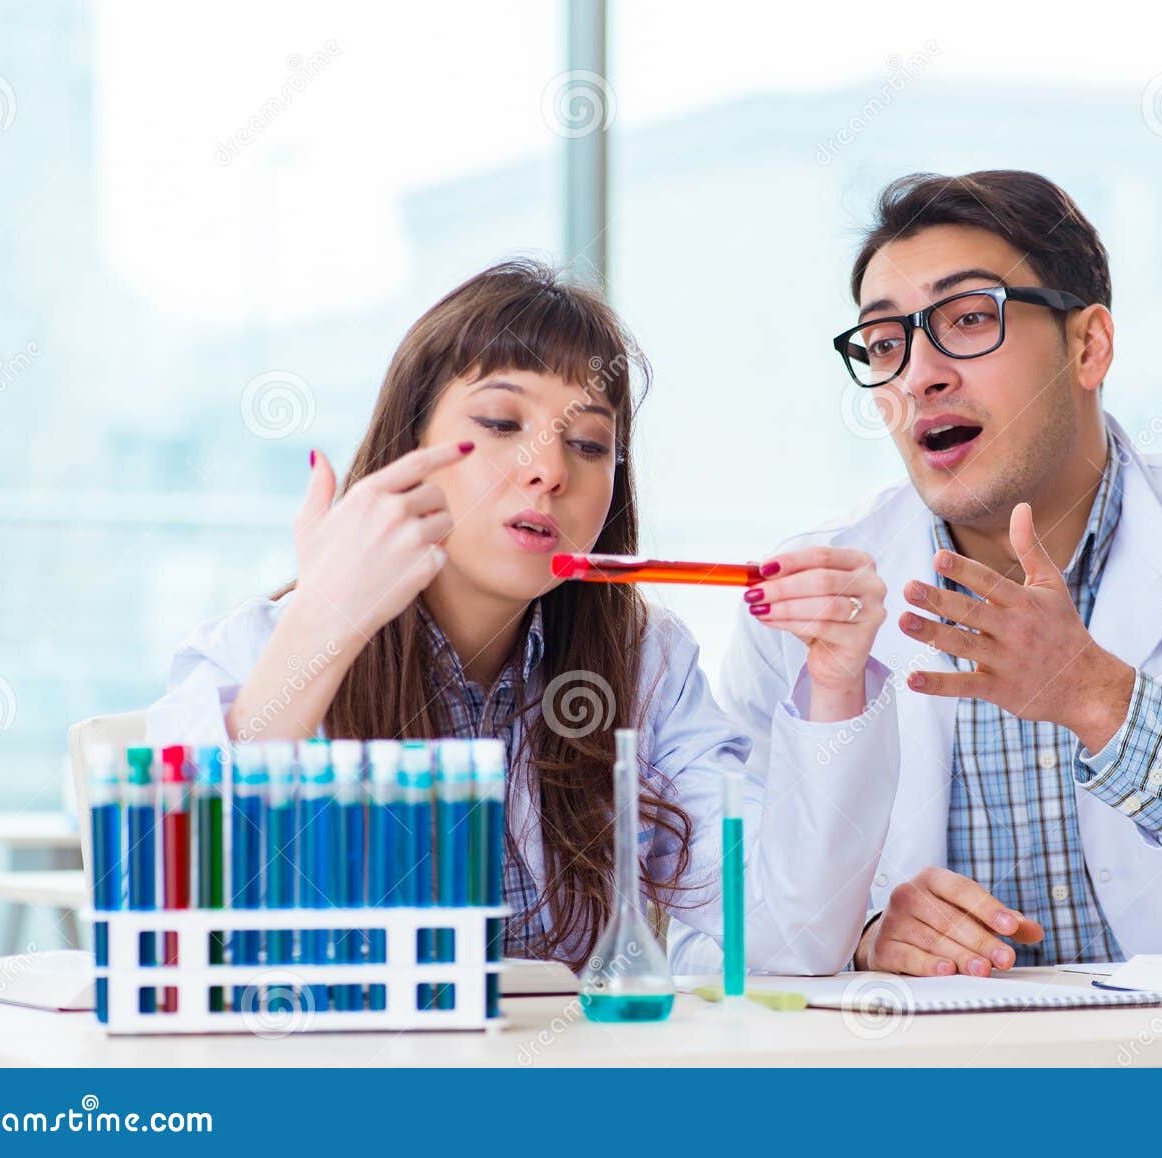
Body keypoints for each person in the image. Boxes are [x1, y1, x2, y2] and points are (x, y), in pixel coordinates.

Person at [674, 171, 1162, 977]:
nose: (919, 374)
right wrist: (858, 936)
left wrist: (1097, 696)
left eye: (967, 320)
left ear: (1087, 345)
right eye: (886, 343)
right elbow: (702, 928)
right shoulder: (814, 600)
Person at [144, 260, 883, 972]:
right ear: (410, 445)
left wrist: (837, 683)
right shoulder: (260, 652)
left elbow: (792, 938)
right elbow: (168, 928)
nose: (551, 469)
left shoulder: (645, 661)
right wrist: (323, 628)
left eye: (589, 443)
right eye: (501, 422)